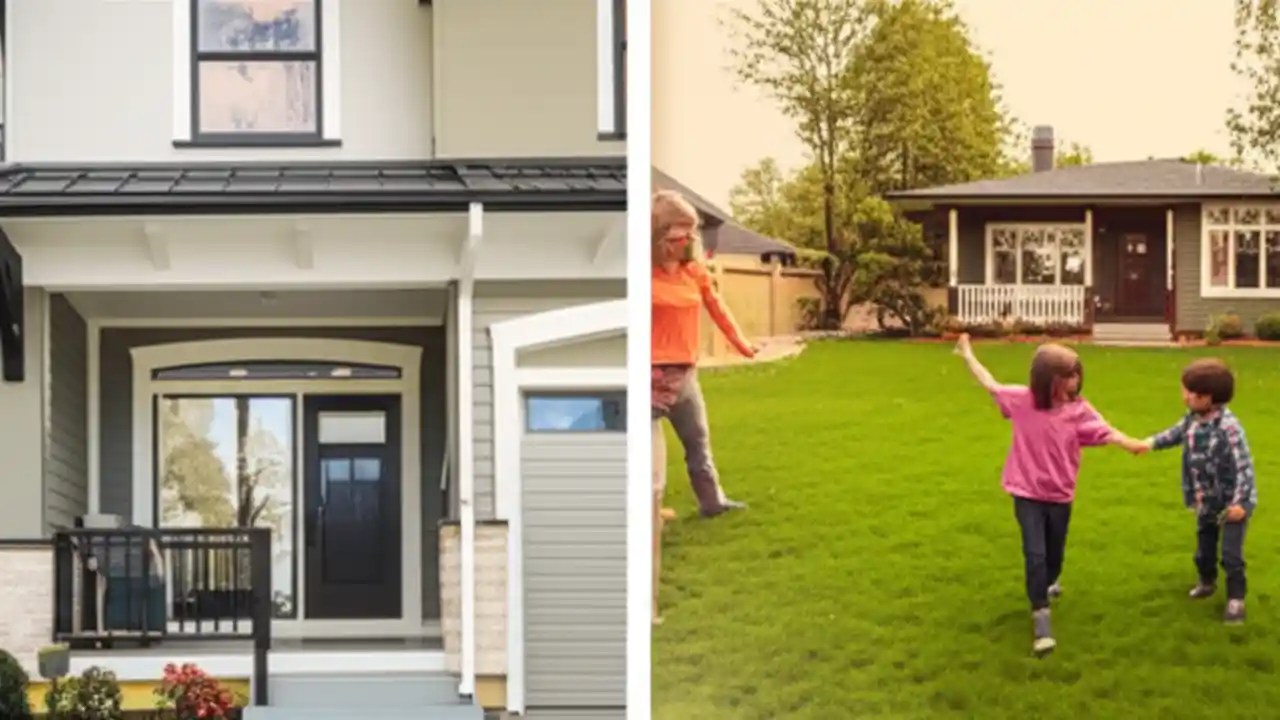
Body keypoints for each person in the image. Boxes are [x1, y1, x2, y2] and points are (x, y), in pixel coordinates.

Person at [954, 334, 1147, 656]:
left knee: (1054, 555)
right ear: (1047, 380)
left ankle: (1049, 581)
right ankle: (1041, 618)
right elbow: (990, 383)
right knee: (1036, 554)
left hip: (1060, 495)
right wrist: (968, 354)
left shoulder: (1078, 410)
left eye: (1076, 375)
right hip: (1025, 491)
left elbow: (1105, 430)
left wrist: (1129, 443)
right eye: (1068, 376)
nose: (1075, 382)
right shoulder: (1021, 401)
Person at [651, 189, 757, 623]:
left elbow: (718, 309)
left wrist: (743, 346)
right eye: (683, 232)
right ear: (661, 235)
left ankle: (712, 502)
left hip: (686, 375)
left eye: (693, 231)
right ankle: (647, 514)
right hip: (649, 376)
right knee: (649, 462)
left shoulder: (695, 272)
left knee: (699, 445)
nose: (690, 238)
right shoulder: (640, 275)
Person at [1139, 358, 1256, 625]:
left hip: (1233, 505)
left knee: (1231, 554)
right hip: (1207, 500)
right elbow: (1175, 434)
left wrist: (1240, 504)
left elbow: (1243, 466)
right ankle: (1207, 582)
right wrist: (1149, 443)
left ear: (1209, 398)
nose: (1185, 396)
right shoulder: (1192, 419)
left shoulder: (1229, 428)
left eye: (1191, 393)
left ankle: (1236, 599)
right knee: (1204, 549)